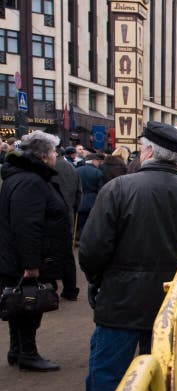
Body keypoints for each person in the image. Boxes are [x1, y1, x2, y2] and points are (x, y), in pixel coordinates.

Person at [73, 121, 177, 391]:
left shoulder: (118, 189)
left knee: (108, 374)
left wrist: (97, 280)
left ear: (148, 151)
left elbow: (92, 249)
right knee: (161, 375)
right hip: (169, 302)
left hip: (120, 300)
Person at [0, 131, 68, 371]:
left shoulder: (20, 177)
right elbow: (27, 225)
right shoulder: (31, 181)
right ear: (43, 156)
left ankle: (17, 349)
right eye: (53, 152)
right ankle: (28, 353)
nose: (55, 156)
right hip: (27, 258)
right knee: (29, 303)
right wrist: (31, 264)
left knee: (17, 299)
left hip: (16, 255)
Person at [52, 147, 83, 301]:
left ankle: (51, 289)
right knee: (67, 254)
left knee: (50, 253)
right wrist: (74, 208)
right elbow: (79, 192)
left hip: (51, 217)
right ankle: (70, 289)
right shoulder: (70, 168)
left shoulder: (47, 167)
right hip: (68, 215)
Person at [76, 153, 105, 241]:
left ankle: (79, 237)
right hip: (93, 200)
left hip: (80, 199)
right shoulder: (98, 172)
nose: (99, 163)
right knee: (91, 223)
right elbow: (100, 189)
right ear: (94, 161)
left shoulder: (77, 170)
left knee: (80, 222)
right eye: (98, 161)